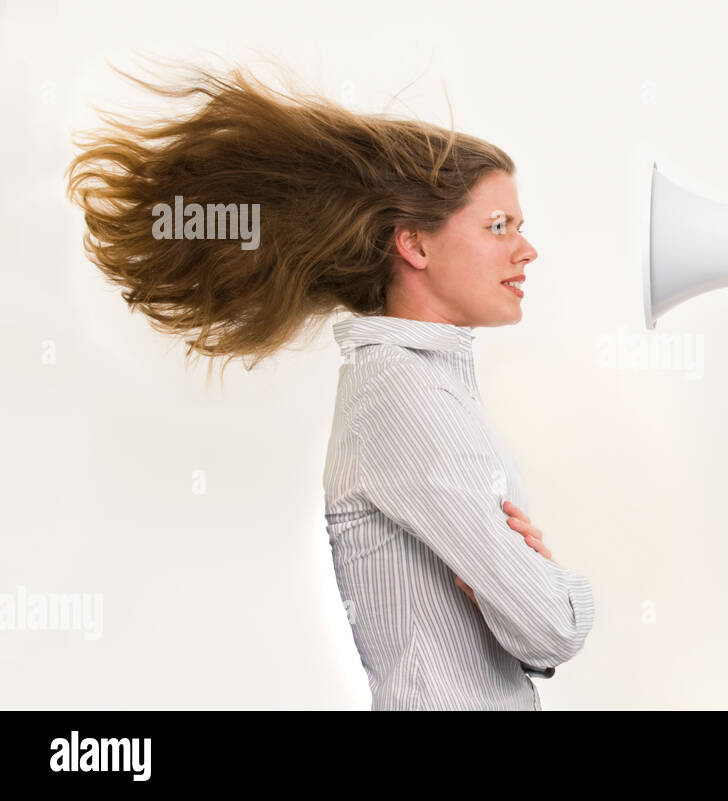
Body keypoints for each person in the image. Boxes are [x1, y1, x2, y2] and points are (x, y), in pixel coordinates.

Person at [66, 63, 594, 710]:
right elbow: (554, 627)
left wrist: (521, 589)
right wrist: (552, 587)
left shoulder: (423, 387)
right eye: (499, 226)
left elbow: (527, 646)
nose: (527, 249)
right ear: (414, 244)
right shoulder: (408, 400)